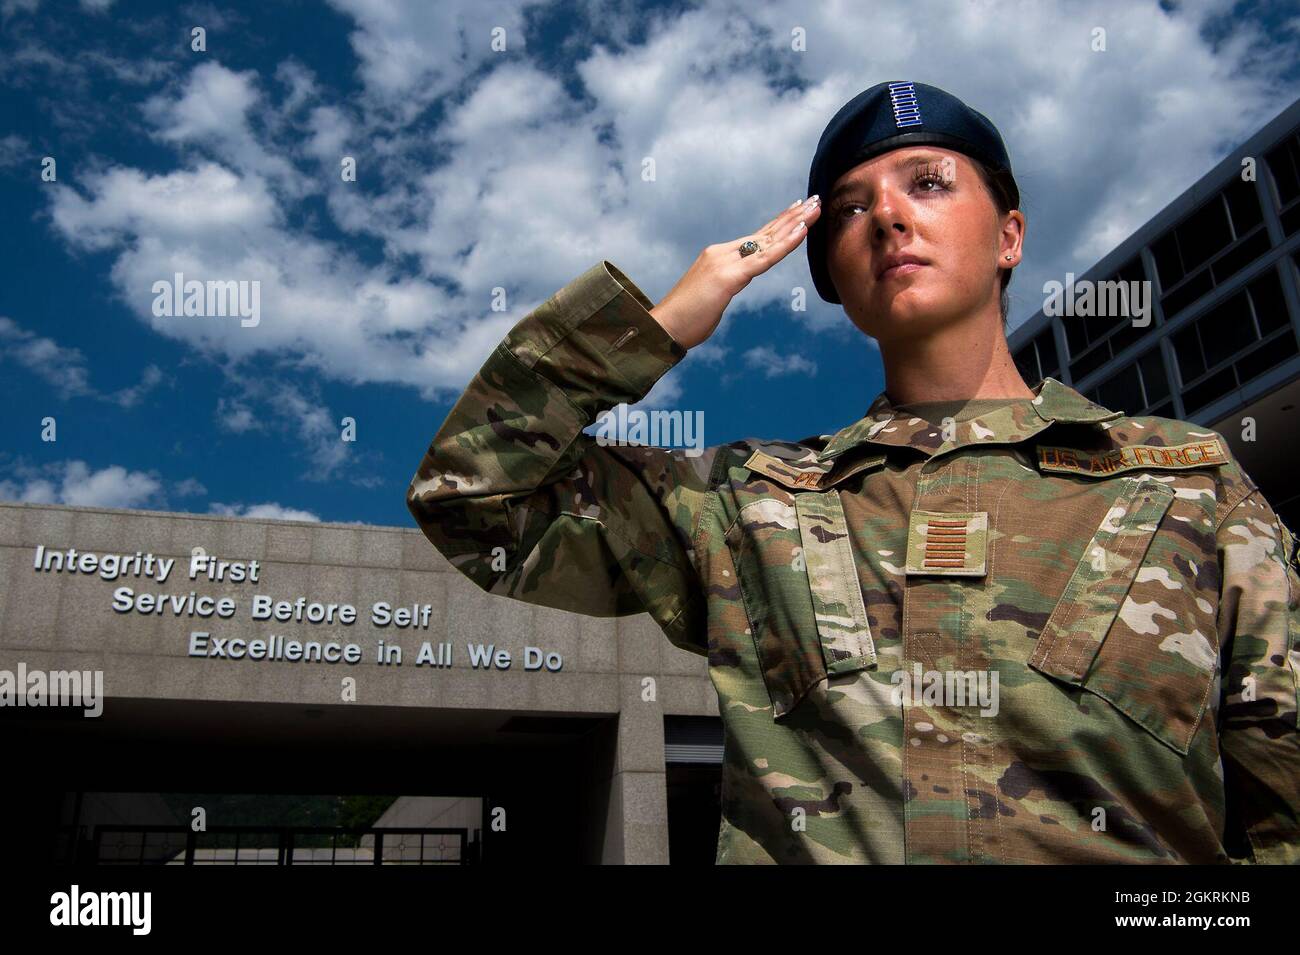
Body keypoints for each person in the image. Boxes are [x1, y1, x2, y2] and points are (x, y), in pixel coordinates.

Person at [406, 80, 1300, 863]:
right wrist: (661, 323)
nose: (888, 217)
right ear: (831, 266)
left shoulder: (1189, 487)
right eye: (848, 208)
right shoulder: (746, 504)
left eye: (929, 183)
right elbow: (474, 505)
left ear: (1011, 235)